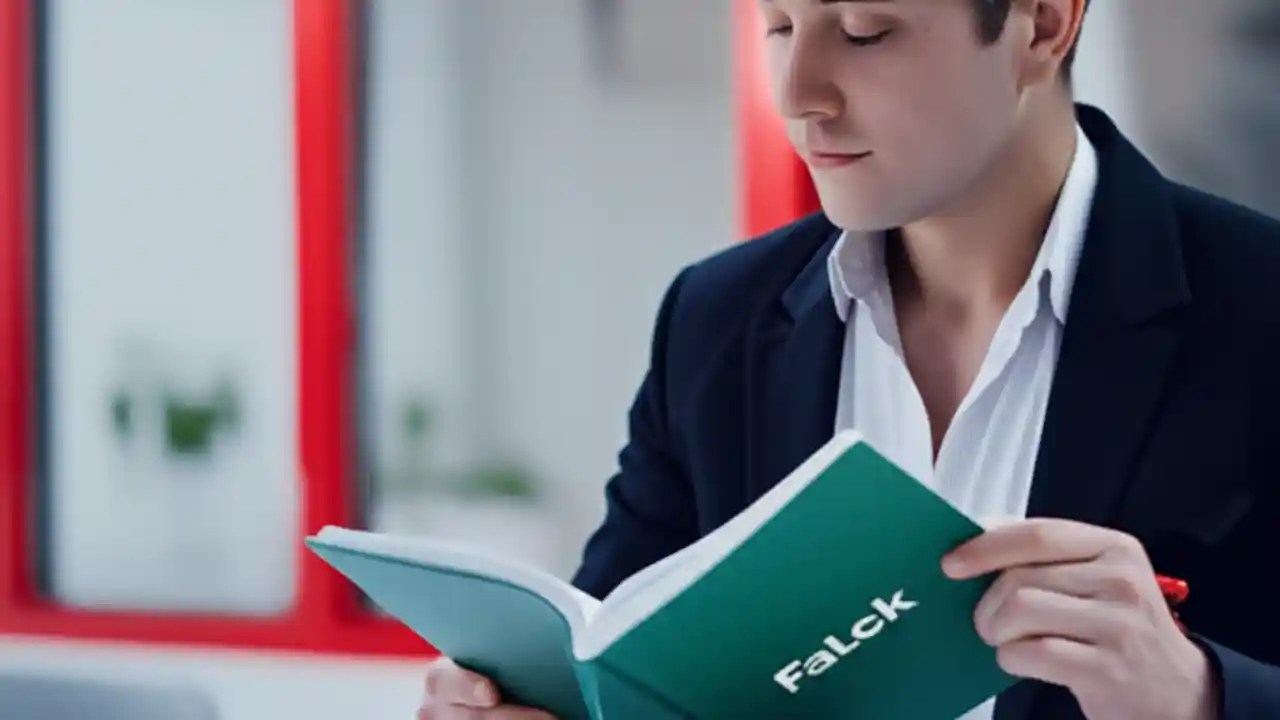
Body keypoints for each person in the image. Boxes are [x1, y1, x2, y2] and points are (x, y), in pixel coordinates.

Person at [417, 0, 1280, 717]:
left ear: (1043, 25)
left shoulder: (1257, 309)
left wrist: (1197, 696)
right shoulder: (715, 325)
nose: (799, 96)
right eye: (781, 25)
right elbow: (607, 666)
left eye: (865, 31)